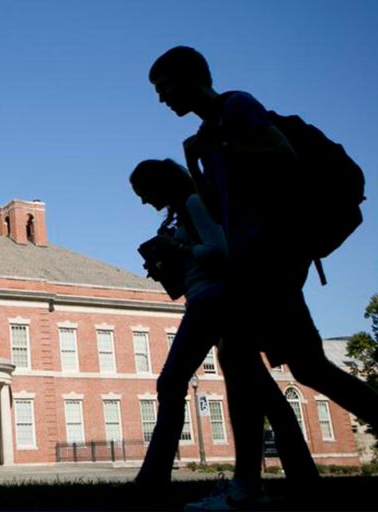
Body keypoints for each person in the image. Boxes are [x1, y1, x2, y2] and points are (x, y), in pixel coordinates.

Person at [149, 46, 378, 509]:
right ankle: (247, 485)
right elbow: (221, 212)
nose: (162, 98)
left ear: (192, 78)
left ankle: (246, 487)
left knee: (261, 362)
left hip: (272, 257)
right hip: (251, 262)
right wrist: (196, 162)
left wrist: (221, 147)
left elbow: (282, 155)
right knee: (285, 366)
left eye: (165, 87)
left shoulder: (237, 106)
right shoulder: (207, 135)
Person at [129, 159, 318, 489]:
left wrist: (178, 247)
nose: (144, 201)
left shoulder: (194, 202)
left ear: (161, 183)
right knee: (263, 391)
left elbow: (221, 252)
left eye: (144, 191)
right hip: (208, 301)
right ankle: (304, 475)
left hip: (212, 302)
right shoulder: (183, 213)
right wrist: (166, 266)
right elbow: (195, 265)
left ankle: (152, 479)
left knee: (171, 382)